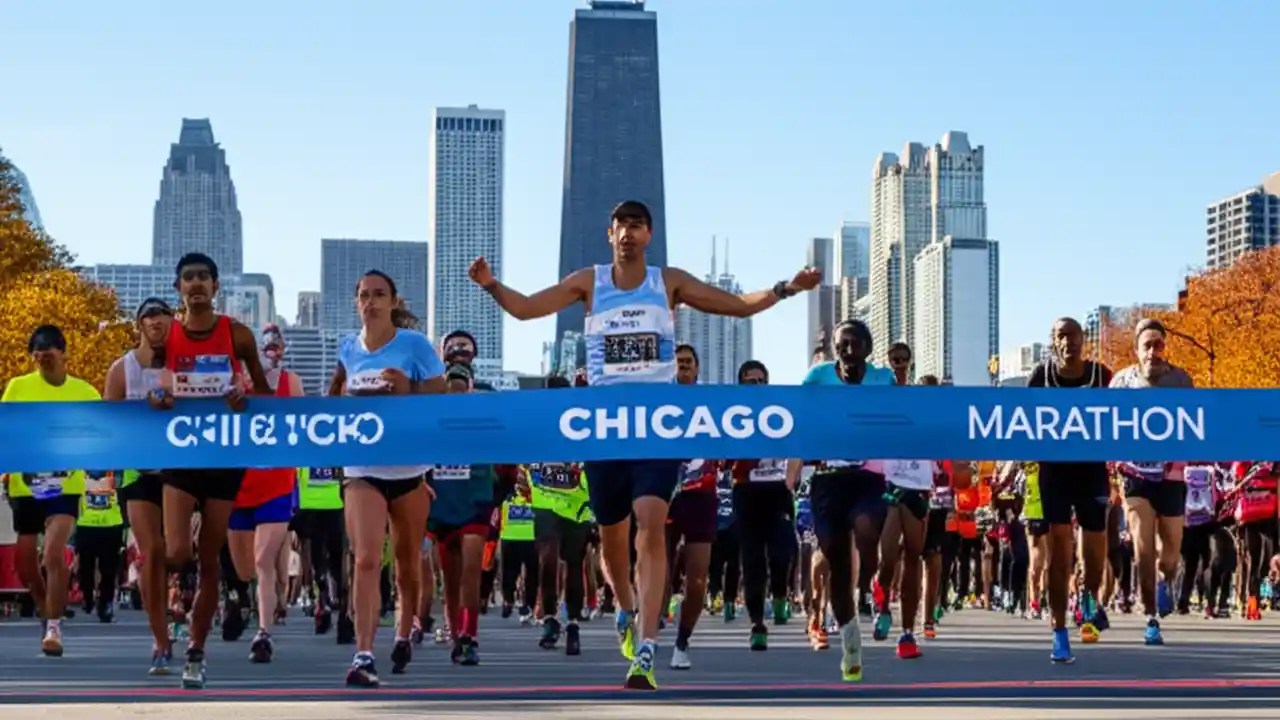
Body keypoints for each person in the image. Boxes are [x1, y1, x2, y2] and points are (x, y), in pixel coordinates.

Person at [471, 200, 818, 689]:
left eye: (637, 225)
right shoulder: (590, 282)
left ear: (649, 234)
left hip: (657, 426)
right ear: (609, 234)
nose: (628, 233)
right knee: (614, 543)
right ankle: (627, 610)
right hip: (605, 430)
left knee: (651, 527)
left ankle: (648, 645)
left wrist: (786, 288)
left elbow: (736, 305)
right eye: (621, 227)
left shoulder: (668, 282)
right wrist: (491, 285)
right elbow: (528, 309)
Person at [149, 253, 273, 689]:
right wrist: (158, 399)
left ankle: (196, 652)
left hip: (223, 456)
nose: (196, 284)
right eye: (188, 278)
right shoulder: (165, 335)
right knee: (178, 552)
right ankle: (164, 624)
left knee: (208, 561)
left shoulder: (236, 335)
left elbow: (263, 390)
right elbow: (146, 385)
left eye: (204, 277)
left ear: (216, 286)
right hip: (181, 456)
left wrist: (245, 395)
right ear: (178, 288)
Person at [329, 269, 445, 687]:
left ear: (394, 302)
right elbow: (334, 400)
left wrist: (408, 390)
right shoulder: (348, 348)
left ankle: (403, 633)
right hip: (361, 468)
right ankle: (362, 655)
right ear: (356, 302)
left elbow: (441, 394)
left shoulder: (413, 345)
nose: (371, 302)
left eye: (379, 295)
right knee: (364, 558)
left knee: (407, 565)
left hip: (409, 469)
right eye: (364, 295)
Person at [788, 319, 895, 682]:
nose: (848, 351)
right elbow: (796, 415)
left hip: (867, 477)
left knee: (866, 530)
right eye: (841, 345)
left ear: (868, 347)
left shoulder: (882, 379)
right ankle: (850, 639)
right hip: (828, 479)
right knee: (834, 555)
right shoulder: (818, 376)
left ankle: (868, 586)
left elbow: (905, 415)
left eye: (855, 344)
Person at [2, 325, 101, 657]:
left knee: (54, 552)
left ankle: (54, 627)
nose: (43, 361)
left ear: (64, 355)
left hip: (65, 484)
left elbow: (101, 431)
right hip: (26, 483)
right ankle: (47, 608)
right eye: (37, 357)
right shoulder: (18, 387)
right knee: (26, 561)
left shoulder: (85, 392)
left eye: (49, 355)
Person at [1027, 317, 1113, 664]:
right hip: (1054, 471)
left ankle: (1089, 595)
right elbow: (1020, 419)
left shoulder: (1102, 376)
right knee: (1059, 553)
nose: (1068, 342)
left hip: (1092, 469)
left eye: (1073, 335)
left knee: (1095, 553)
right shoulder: (1040, 377)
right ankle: (1059, 631)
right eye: (1061, 336)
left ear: (1083, 339)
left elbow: (1123, 418)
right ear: (1054, 341)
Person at [1109, 318, 1195, 645]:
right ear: (1137, 349)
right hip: (1134, 475)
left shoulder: (1181, 380)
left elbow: (1196, 422)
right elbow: (1107, 425)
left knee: (1170, 556)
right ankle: (1150, 618)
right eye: (1147, 345)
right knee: (1142, 549)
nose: (1153, 351)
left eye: (1159, 344)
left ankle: (1164, 582)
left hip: (1172, 475)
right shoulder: (1121, 382)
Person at [227, 324, 305, 664]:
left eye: (275, 346)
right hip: (238, 486)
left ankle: (263, 634)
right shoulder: (235, 382)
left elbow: (306, 426)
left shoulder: (292, 383)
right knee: (244, 568)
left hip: (277, 483)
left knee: (263, 560)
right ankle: (241, 598)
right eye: (264, 347)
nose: (270, 352)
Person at [105, 298, 174, 673]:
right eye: (148, 315)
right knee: (152, 551)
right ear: (139, 324)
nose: (155, 321)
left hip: (180, 470)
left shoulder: (183, 365)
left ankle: (178, 611)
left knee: (176, 553)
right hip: (137, 472)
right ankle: (160, 638)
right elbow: (108, 423)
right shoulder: (123, 369)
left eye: (162, 314)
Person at [426, 362, 503, 667]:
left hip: (476, 500)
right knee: (450, 577)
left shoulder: (483, 415)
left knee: (471, 571)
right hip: (444, 505)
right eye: (451, 387)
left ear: (470, 388)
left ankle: (470, 637)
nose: (456, 392)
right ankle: (457, 634)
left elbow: (505, 446)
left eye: (461, 387)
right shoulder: (433, 417)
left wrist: (498, 495)